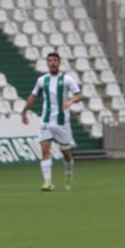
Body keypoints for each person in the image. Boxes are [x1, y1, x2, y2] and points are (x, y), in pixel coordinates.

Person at [20, 52, 85, 192]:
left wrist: (71, 101)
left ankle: (68, 174)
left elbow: (79, 95)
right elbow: (33, 95)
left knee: (66, 153)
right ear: (47, 63)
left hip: (62, 122)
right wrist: (24, 110)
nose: (52, 62)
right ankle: (47, 182)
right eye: (50, 60)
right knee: (44, 150)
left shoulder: (67, 79)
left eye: (55, 60)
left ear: (59, 62)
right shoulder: (42, 80)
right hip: (46, 120)